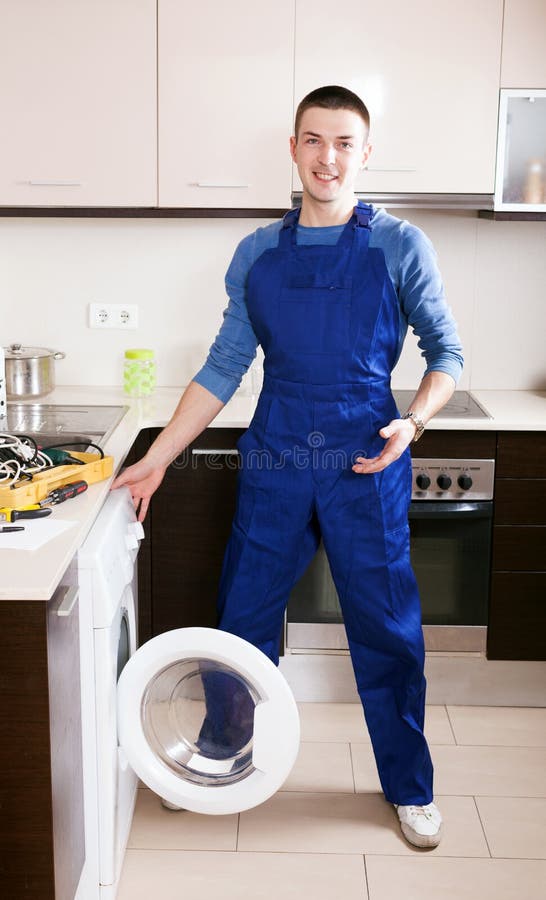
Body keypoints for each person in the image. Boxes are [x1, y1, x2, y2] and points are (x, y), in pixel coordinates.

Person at [112, 85, 463, 849]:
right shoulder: (257, 253)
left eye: (343, 142)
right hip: (275, 457)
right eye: (313, 140)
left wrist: (416, 419)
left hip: (366, 460)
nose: (327, 156)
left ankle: (409, 786)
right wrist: (157, 459)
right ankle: (220, 754)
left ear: (365, 153)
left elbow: (448, 354)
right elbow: (223, 367)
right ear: (294, 148)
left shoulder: (401, 245)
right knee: (240, 618)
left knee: (388, 630)